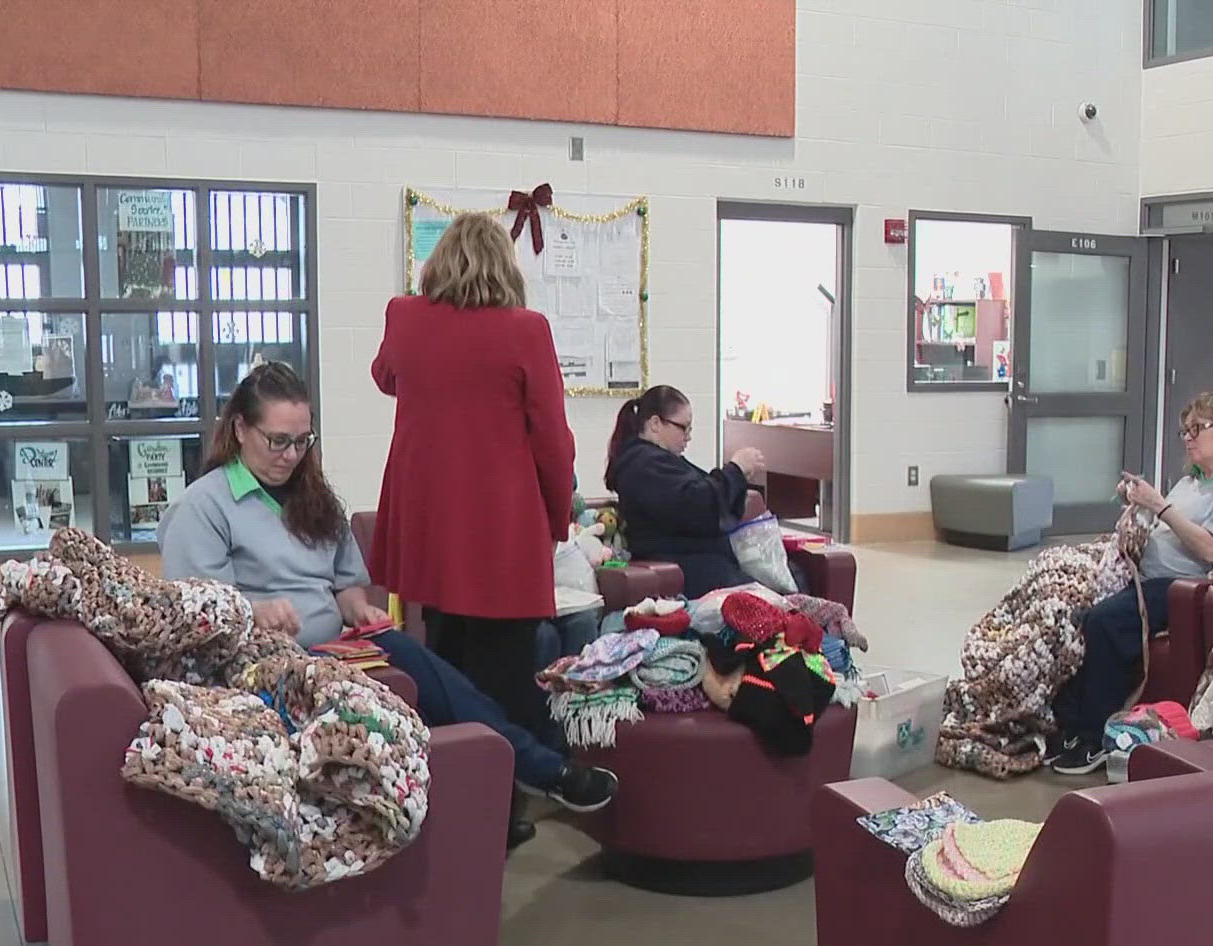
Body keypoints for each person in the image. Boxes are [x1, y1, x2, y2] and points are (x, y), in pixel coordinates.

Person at [161, 363, 615, 851]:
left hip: (340, 642)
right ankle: (544, 773)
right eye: (277, 441)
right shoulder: (203, 506)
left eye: (301, 442)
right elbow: (199, 611)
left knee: (444, 680)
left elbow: (346, 584)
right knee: (427, 685)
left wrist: (359, 607)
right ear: (239, 430)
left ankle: (532, 773)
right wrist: (254, 609)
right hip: (272, 659)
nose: (290, 456)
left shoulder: (312, 497)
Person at [368, 211, 577, 758]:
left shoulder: (404, 316)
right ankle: (506, 805)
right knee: (504, 675)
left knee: (445, 666)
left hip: (431, 525)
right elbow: (553, 440)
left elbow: (384, 375)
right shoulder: (526, 330)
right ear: (505, 268)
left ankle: (460, 794)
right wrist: (558, 519)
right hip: (502, 528)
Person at [1049, 391, 1213, 774]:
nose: (1187, 438)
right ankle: (1064, 723)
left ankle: (1093, 737)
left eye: (1197, 429)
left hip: (1183, 586)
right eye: (1184, 431)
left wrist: (1159, 506)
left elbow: (1209, 550)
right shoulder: (1193, 483)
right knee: (1067, 609)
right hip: (1148, 576)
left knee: (1106, 622)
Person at [605, 385, 770, 596]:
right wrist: (735, 470)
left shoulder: (660, 460)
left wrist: (736, 477)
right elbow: (695, 503)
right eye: (684, 428)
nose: (688, 437)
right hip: (683, 564)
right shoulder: (642, 464)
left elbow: (705, 490)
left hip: (702, 561)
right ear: (656, 424)